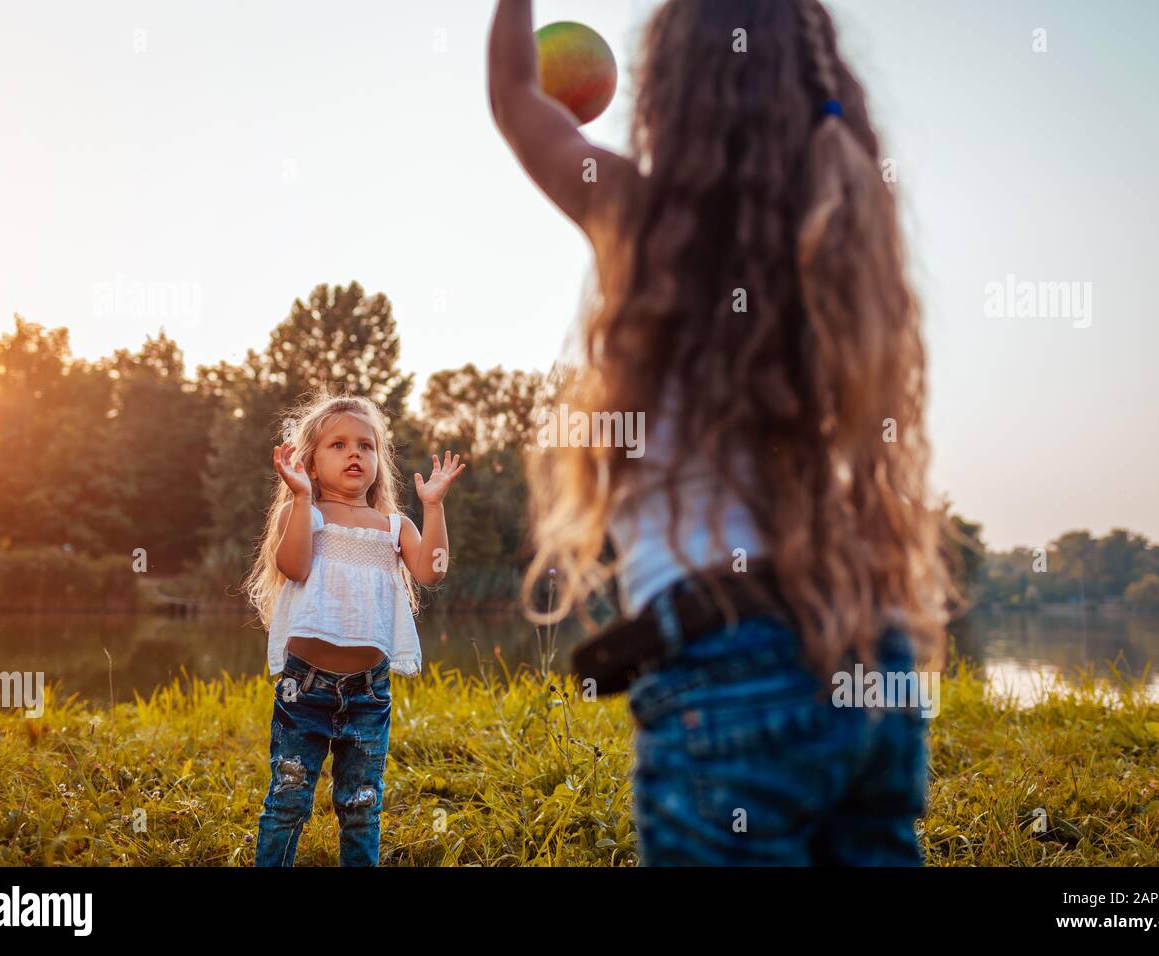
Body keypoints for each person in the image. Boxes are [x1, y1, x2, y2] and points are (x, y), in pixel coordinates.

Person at [489, 0, 951, 865]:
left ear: (672, 90)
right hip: (873, 663)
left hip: (729, 669)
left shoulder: (643, 217)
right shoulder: (850, 218)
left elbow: (518, 98)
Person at [244, 391, 465, 865]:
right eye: (338, 445)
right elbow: (295, 565)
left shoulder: (393, 525)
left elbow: (434, 570)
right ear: (310, 461)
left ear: (379, 461)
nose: (354, 454)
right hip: (304, 688)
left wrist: (434, 506)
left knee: (361, 805)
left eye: (365, 446)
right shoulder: (305, 513)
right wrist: (302, 496)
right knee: (288, 800)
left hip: (369, 692)